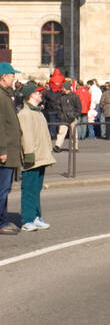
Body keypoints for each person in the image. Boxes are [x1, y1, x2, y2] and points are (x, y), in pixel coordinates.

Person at [17, 82, 54, 230]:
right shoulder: (25, 114)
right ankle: (27, 219)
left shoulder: (37, 112)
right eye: (38, 92)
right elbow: (27, 136)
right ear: (30, 95)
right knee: (28, 189)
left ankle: (36, 216)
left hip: (41, 155)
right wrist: (29, 154)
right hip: (32, 157)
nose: (40, 94)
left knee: (36, 189)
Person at [0, 61, 22, 234]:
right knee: (3, 189)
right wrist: (2, 150)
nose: (14, 77)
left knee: (4, 189)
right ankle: (1, 222)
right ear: (3, 77)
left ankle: (3, 219)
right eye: (11, 74)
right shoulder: (1, 96)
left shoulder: (5, 94)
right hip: (4, 151)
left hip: (7, 149)